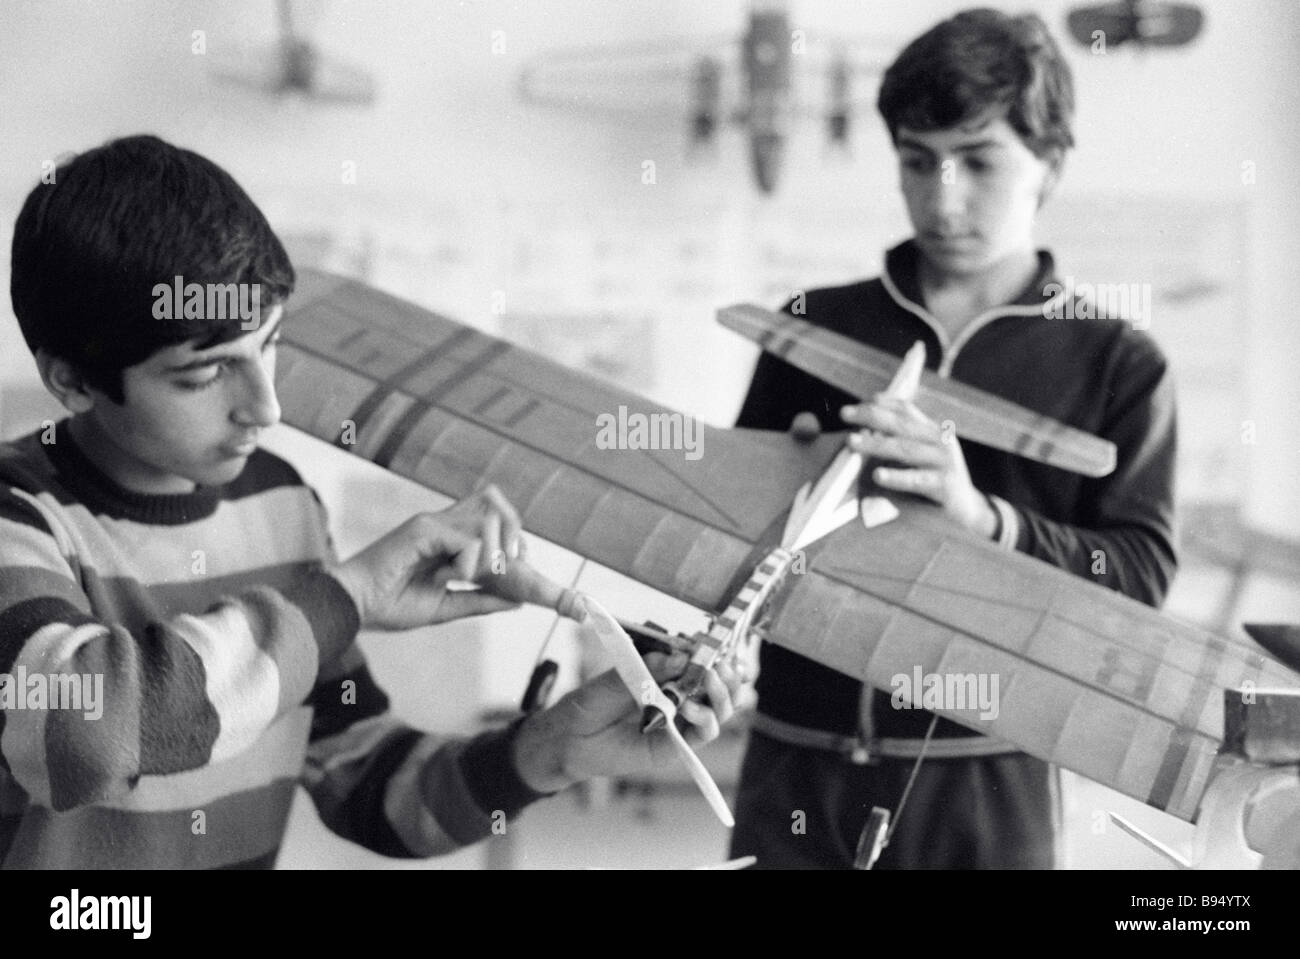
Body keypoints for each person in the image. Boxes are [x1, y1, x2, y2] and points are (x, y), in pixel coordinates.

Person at [0, 134, 737, 869]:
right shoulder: (18, 513)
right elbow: (83, 736)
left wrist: (554, 748)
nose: (265, 406)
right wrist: (345, 597)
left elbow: (367, 788)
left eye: (270, 345)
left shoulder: (280, 500)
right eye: (204, 375)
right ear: (72, 381)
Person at [728, 8, 1178, 869]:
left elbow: (1138, 576)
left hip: (989, 774)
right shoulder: (811, 325)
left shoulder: (1118, 362)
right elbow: (726, 538)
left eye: (978, 162)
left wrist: (983, 519)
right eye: (916, 160)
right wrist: (771, 484)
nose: (942, 199)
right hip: (794, 760)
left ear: (1049, 164)